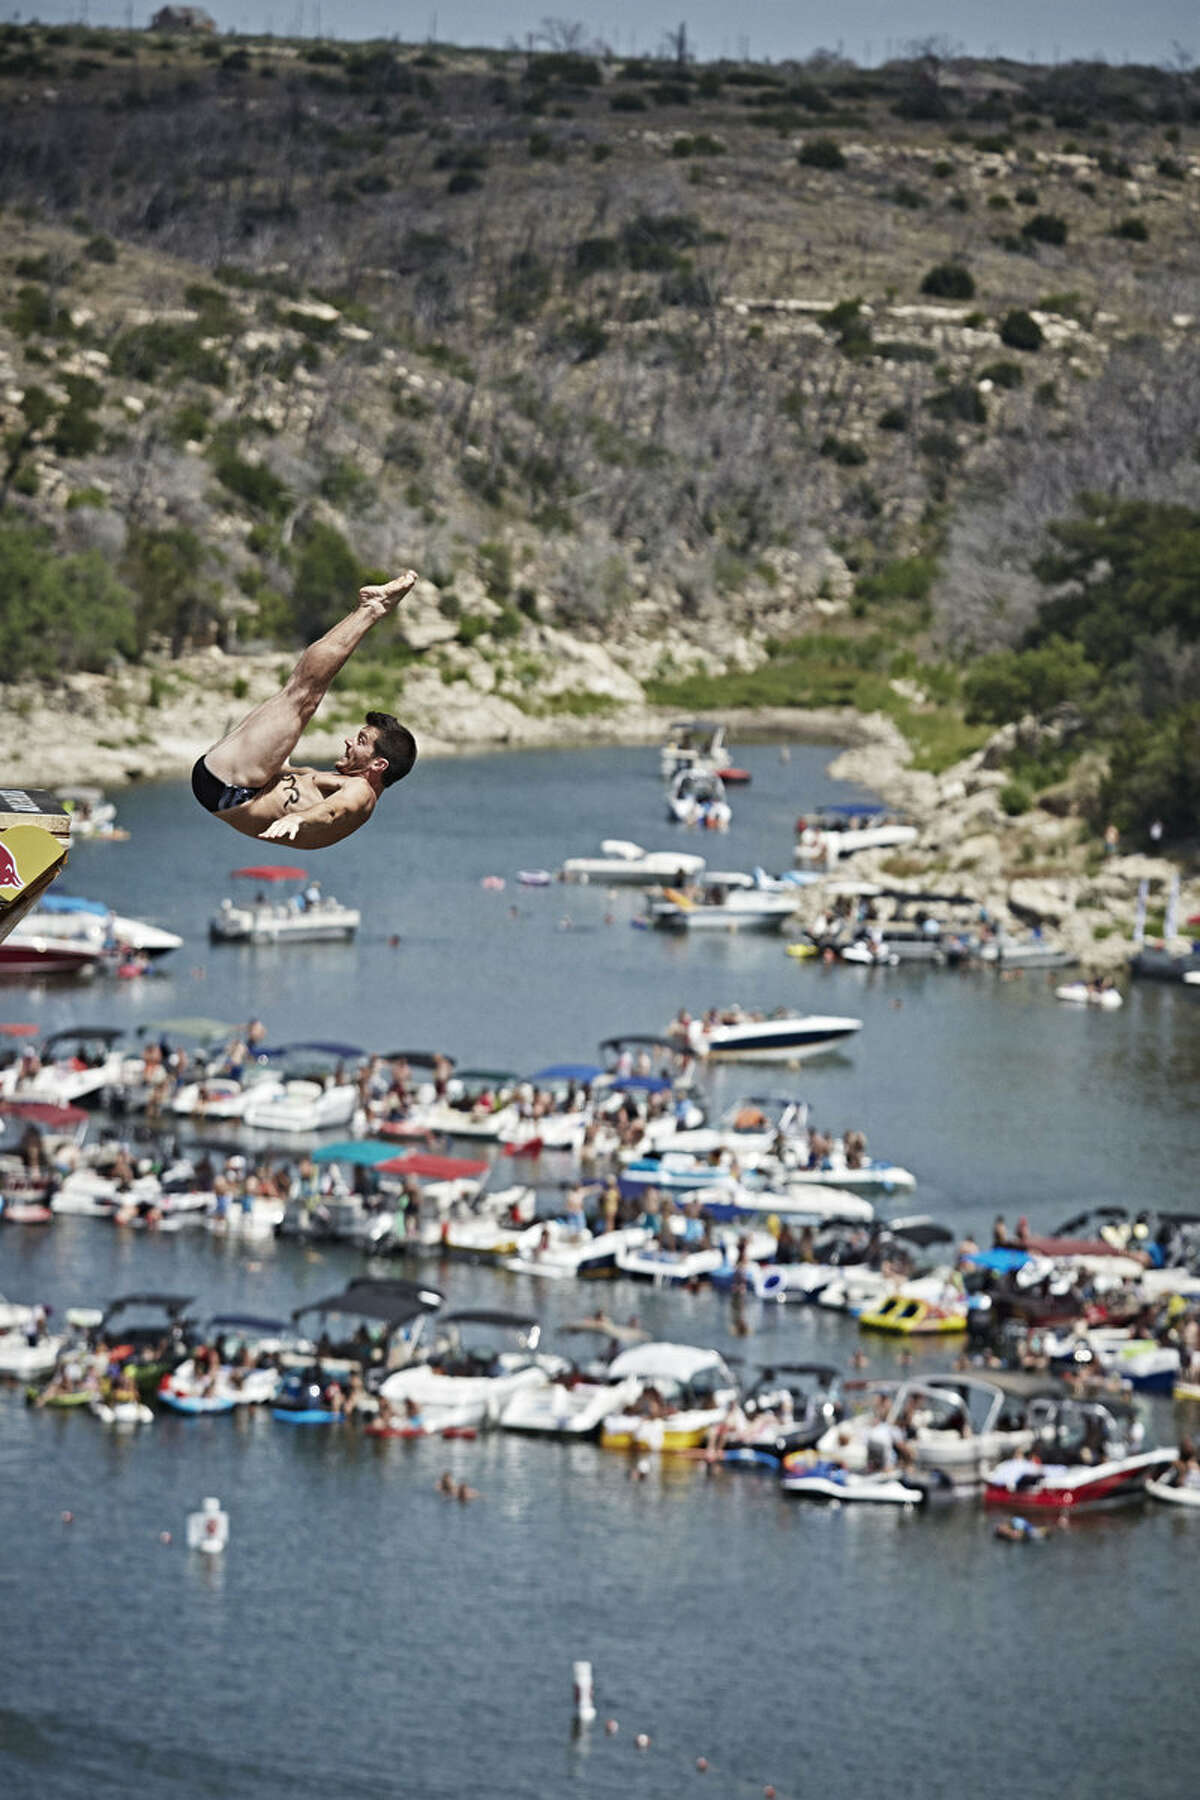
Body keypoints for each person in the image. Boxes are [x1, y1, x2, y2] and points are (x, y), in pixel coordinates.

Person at [190, 573, 420, 849]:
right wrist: (285, 765)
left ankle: (373, 607)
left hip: (232, 789)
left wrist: (300, 820)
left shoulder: (360, 793)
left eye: (361, 742)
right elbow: (307, 785)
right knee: (299, 693)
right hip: (228, 786)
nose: (348, 741)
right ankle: (372, 607)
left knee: (304, 693)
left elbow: (333, 811)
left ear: (378, 764)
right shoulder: (341, 783)